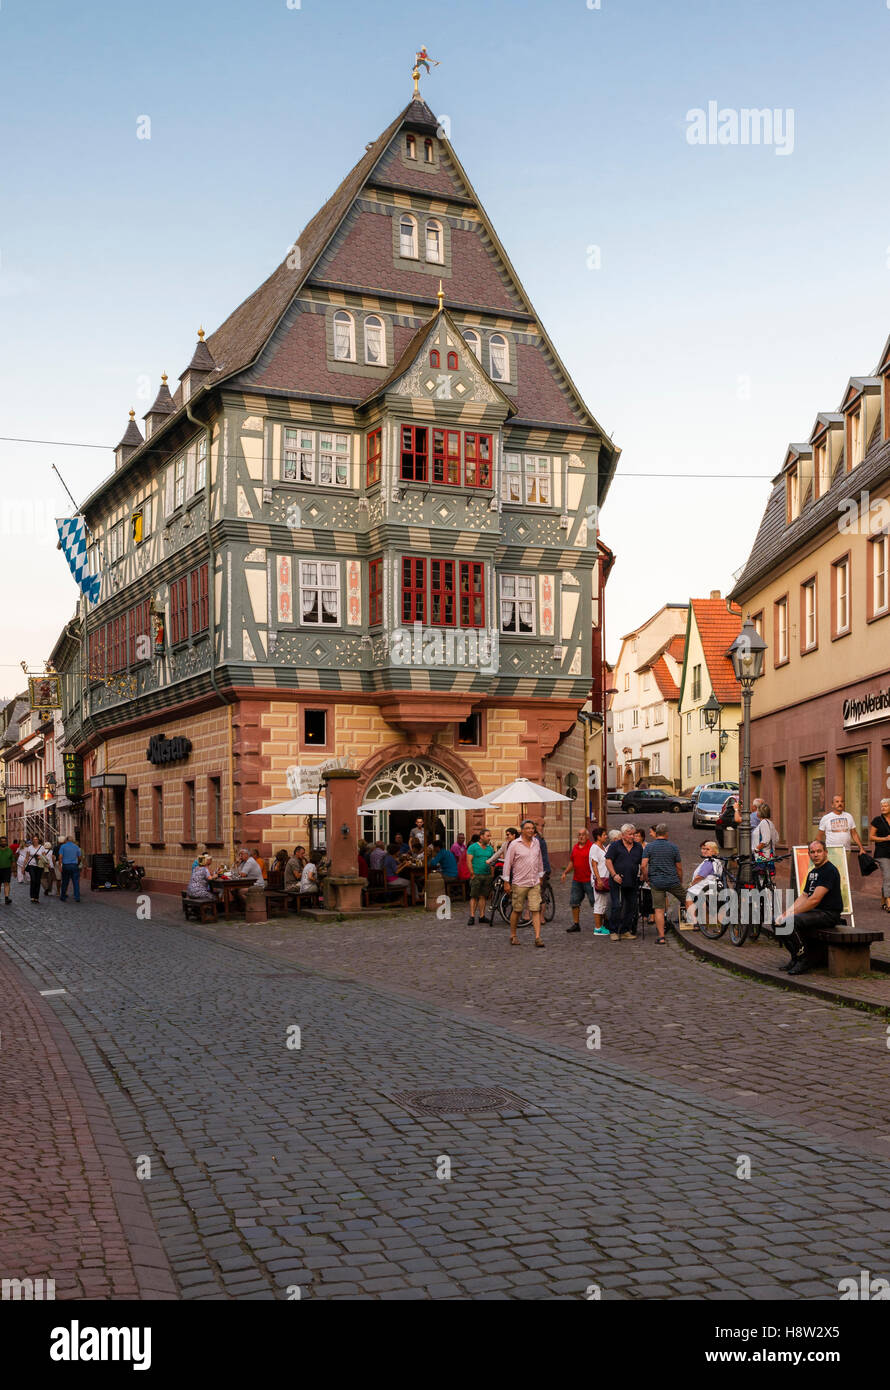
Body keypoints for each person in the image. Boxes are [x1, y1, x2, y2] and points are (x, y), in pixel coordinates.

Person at [775, 839, 844, 975]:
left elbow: (814, 900)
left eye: (819, 851)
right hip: (816, 912)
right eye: (812, 852)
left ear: (826, 852)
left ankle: (804, 959)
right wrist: (786, 912)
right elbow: (804, 896)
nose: (816, 855)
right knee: (777, 922)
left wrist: (790, 915)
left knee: (791, 922)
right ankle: (795, 957)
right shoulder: (813, 872)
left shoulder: (829, 870)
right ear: (809, 854)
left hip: (828, 914)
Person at [503, 819, 545, 947]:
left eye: (532, 828)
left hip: (534, 882)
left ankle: (538, 937)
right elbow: (507, 863)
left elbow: (539, 860)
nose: (531, 830)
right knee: (517, 910)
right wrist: (506, 881)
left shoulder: (536, 842)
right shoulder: (515, 844)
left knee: (535, 909)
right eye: (528, 828)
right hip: (519, 883)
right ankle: (513, 935)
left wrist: (541, 875)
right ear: (522, 830)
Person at [640, 824, 684, 945]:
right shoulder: (673, 847)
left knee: (658, 910)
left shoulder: (649, 847)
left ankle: (661, 937)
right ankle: (695, 923)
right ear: (666, 834)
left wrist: (646, 878)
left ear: (656, 833)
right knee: (688, 899)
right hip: (672, 880)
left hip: (656, 882)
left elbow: (643, 865)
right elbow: (679, 867)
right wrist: (680, 879)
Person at [605, 823, 643, 940]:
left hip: (632, 880)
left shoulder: (638, 847)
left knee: (631, 906)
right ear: (622, 835)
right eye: (630, 834)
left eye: (633, 834)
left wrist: (642, 873)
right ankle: (614, 930)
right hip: (617, 880)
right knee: (617, 905)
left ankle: (626, 930)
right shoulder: (615, 846)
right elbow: (608, 861)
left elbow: (642, 862)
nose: (632, 836)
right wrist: (614, 874)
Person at [561, 826, 594, 933]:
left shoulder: (592, 847)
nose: (581, 837)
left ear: (587, 836)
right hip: (577, 880)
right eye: (579, 835)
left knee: (595, 902)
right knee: (574, 902)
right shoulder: (575, 847)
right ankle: (576, 924)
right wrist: (565, 872)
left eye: (583, 834)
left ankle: (603, 923)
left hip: (589, 880)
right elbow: (572, 862)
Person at [684, 840, 721, 928]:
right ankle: (701, 921)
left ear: (714, 851)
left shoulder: (709, 862)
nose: (704, 851)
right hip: (711, 886)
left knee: (688, 898)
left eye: (707, 849)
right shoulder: (717, 861)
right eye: (703, 849)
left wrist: (691, 884)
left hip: (704, 886)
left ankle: (695, 922)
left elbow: (700, 876)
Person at [466, 828, 496, 924]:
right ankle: (472, 916)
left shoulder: (490, 849)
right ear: (481, 836)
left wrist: (492, 875)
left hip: (486, 875)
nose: (489, 838)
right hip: (476, 875)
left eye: (490, 836)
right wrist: (472, 873)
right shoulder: (473, 847)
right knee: (474, 896)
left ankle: (482, 916)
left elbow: (492, 862)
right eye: (488, 836)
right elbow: (469, 861)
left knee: (483, 896)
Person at [587, 825, 613, 936]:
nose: (606, 836)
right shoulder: (594, 848)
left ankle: (601, 925)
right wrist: (598, 879)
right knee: (599, 904)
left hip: (605, 878)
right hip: (600, 879)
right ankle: (597, 928)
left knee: (603, 904)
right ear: (598, 837)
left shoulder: (602, 847)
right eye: (604, 835)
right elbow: (594, 865)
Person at [870, 797, 890, 912]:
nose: (883, 808)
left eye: (886, 806)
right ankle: (888, 902)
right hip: (882, 853)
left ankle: (883, 901)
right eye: (882, 806)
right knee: (888, 876)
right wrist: (885, 838)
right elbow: (871, 837)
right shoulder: (877, 820)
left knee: (888, 878)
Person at [752, 802, 779, 875]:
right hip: (768, 856)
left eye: (757, 811)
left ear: (760, 813)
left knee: (759, 878)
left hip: (762, 857)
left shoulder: (763, 823)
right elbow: (776, 838)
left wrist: (756, 849)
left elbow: (766, 840)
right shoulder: (770, 823)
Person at [57, 836, 84, 903]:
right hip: (74, 866)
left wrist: (60, 865)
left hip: (66, 866)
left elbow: (60, 857)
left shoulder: (63, 846)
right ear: (72, 840)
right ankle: (77, 897)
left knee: (65, 882)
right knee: (76, 882)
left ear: (66, 840)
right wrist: (78, 864)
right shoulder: (76, 847)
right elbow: (80, 857)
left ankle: (63, 896)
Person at [22, 834, 45, 904]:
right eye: (34, 839)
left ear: (38, 840)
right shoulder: (30, 848)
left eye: (36, 839)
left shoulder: (42, 847)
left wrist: (40, 857)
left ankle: (36, 897)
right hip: (31, 866)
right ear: (32, 840)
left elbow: (44, 857)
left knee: (38, 881)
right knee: (33, 880)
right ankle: (32, 896)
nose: (35, 841)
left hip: (39, 866)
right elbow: (26, 858)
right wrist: (23, 867)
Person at [0, 836, 13, 905]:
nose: (3, 843)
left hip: (7, 869)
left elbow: (13, 860)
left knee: (7, 883)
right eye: (2, 841)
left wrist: (14, 871)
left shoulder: (9, 850)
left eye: (4, 841)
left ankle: (6, 898)